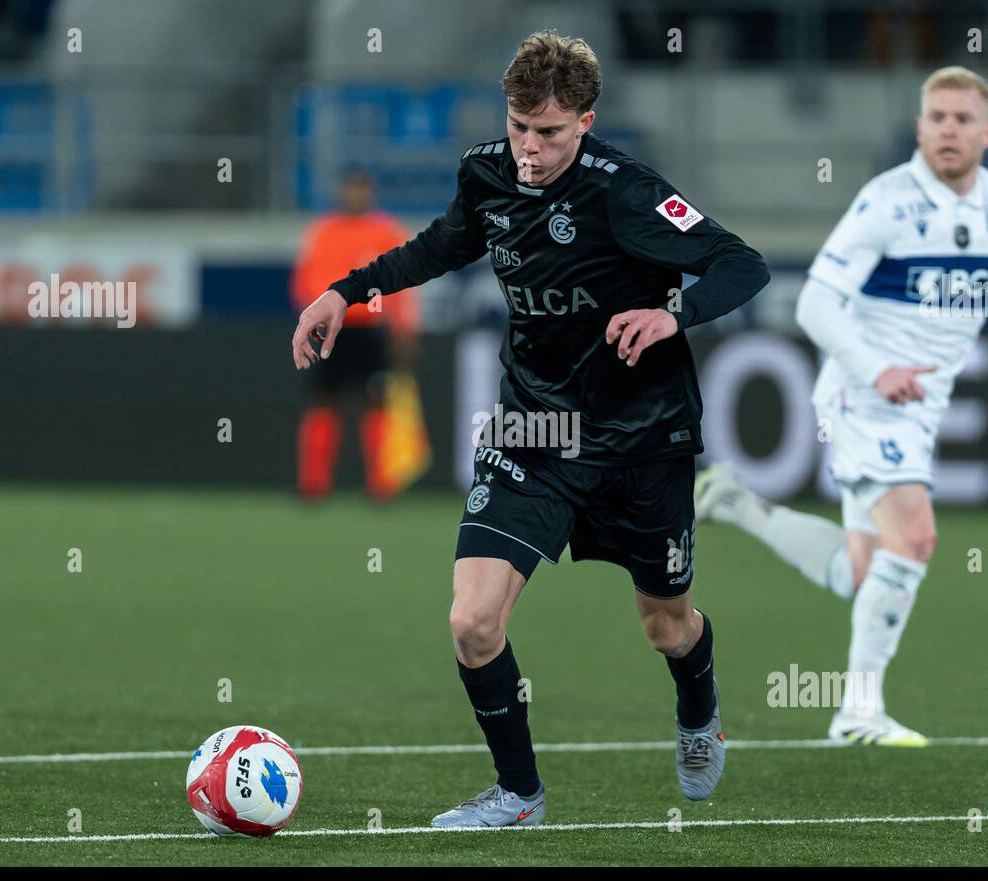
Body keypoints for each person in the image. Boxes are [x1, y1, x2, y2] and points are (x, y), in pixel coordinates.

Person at [293, 31, 768, 825]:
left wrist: (668, 310)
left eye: (548, 132)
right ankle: (519, 794)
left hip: (641, 439)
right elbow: (440, 246)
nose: (530, 148)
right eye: (520, 126)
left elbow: (740, 263)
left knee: (666, 625)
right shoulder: (487, 174)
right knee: (472, 622)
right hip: (533, 434)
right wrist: (347, 291)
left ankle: (697, 711)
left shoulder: (627, 191)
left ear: (586, 120)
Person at [696, 66, 988, 746]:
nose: (948, 129)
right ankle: (858, 711)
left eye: (961, 119)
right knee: (915, 537)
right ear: (919, 128)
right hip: (863, 392)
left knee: (867, 573)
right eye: (936, 118)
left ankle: (736, 504)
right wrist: (876, 368)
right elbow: (813, 303)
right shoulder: (886, 203)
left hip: (921, 400)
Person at [291, 168, 421, 500]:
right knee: (324, 402)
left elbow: (402, 283)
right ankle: (313, 485)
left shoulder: (386, 231)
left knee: (376, 404)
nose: (355, 196)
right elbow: (304, 281)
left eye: (361, 190)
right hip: (331, 330)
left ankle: (382, 485)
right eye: (350, 189)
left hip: (371, 329)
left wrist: (403, 325)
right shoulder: (323, 232)